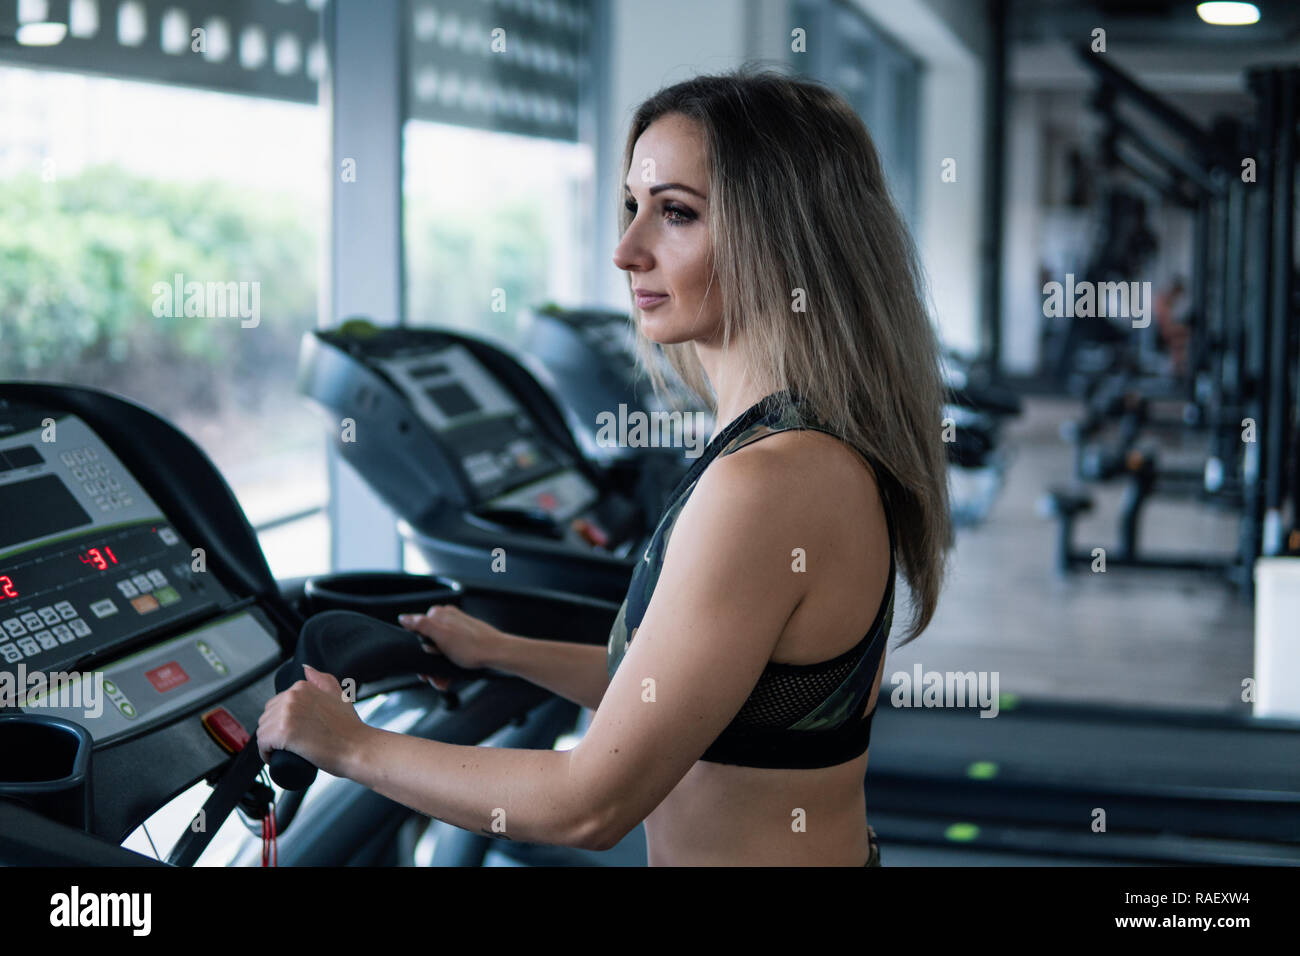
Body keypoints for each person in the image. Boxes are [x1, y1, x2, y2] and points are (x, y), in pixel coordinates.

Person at [256, 66, 952, 867]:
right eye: (632, 208)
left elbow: (591, 804)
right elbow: (683, 696)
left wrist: (348, 747)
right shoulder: (789, 444)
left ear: (781, 236)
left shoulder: (772, 482)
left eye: (676, 214)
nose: (627, 252)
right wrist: (504, 650)